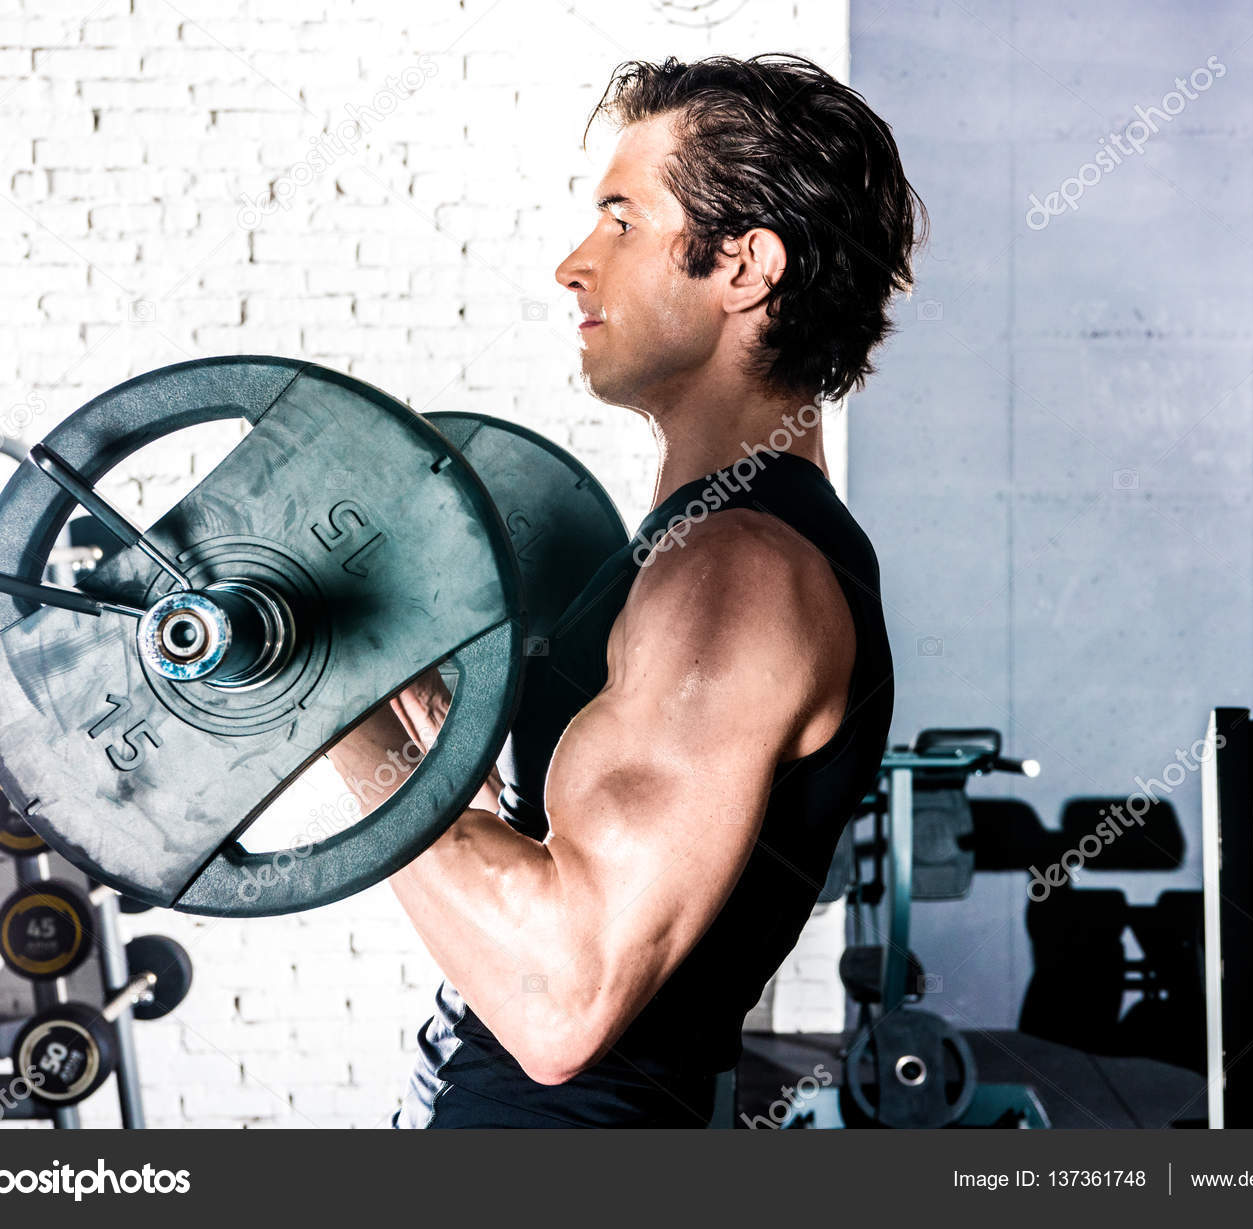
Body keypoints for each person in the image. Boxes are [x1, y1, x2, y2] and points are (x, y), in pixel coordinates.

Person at [330, 52, 925, 1127]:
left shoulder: (737, 571)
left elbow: (565, 998)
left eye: (620, 221)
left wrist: (325, 705)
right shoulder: (683, 550)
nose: (573, 263)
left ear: (742, 268)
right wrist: (426, 757)